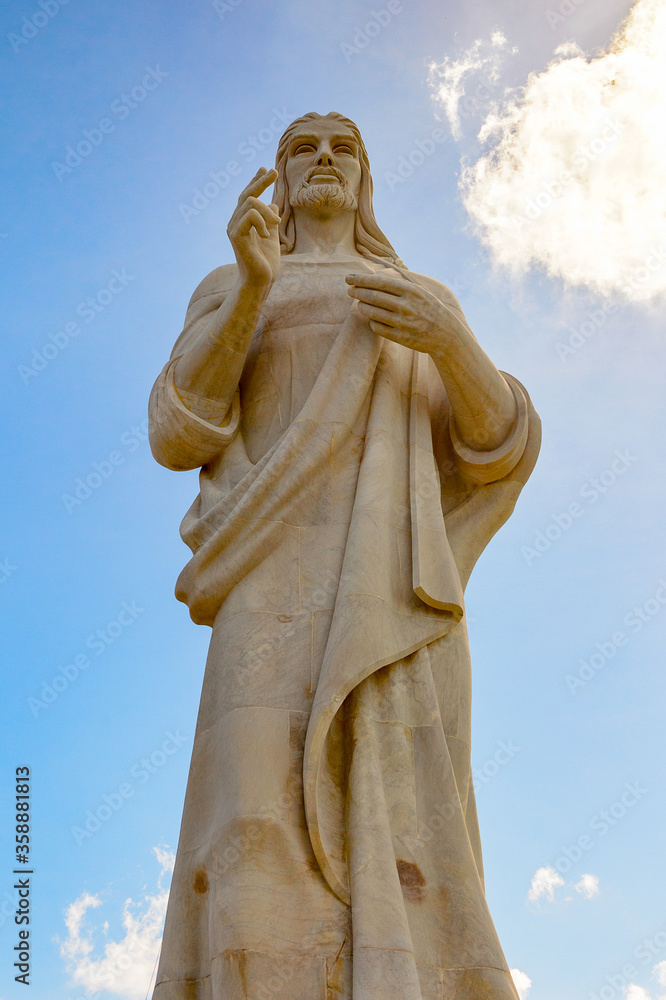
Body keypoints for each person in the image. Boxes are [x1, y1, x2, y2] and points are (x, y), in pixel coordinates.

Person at [149, 111, 540, 1000]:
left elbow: (498, 449)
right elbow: (177, 428)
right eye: (301, 147)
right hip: (263, 589)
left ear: (364, 179)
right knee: (251, 823)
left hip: (394, 598)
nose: (323, 156)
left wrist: (451, 340)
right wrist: (252, 288)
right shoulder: (233, 279)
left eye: (344, 146)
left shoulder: (417, 294)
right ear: (279, 179)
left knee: (405, 827)